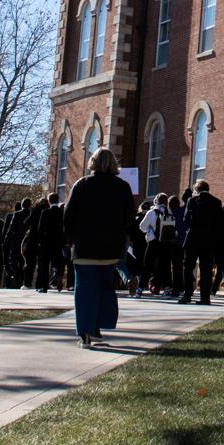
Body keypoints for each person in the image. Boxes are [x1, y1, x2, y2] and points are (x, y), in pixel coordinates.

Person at [64, 146, 136, 347]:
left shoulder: (81, 185)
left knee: (85, 289)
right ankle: (96, 327)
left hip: (84, 248)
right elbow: (129, 217)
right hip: (110, 249)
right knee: (105, 288)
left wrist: (70, 240)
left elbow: (68, 216)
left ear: (92, 163)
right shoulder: (122, 187)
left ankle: (86, 332)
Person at [181, 180, 222, 305]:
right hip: (209, 241)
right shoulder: (216, 202)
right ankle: (205, 297)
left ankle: (187, 295)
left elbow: (186, 220)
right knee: (206, 269)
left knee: (188, 267)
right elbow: (218, 223)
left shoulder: (191, 201)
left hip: (193, 239)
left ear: (197, 190)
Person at [140, 194, 173, 295]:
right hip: (165, 243)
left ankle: (140, 288)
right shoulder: (169, 213)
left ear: (156, 201)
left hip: (153, 242)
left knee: (147, 265)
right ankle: (167, 288)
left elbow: (142, 227)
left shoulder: (151, 212)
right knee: (165, 266)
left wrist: (150, 229)